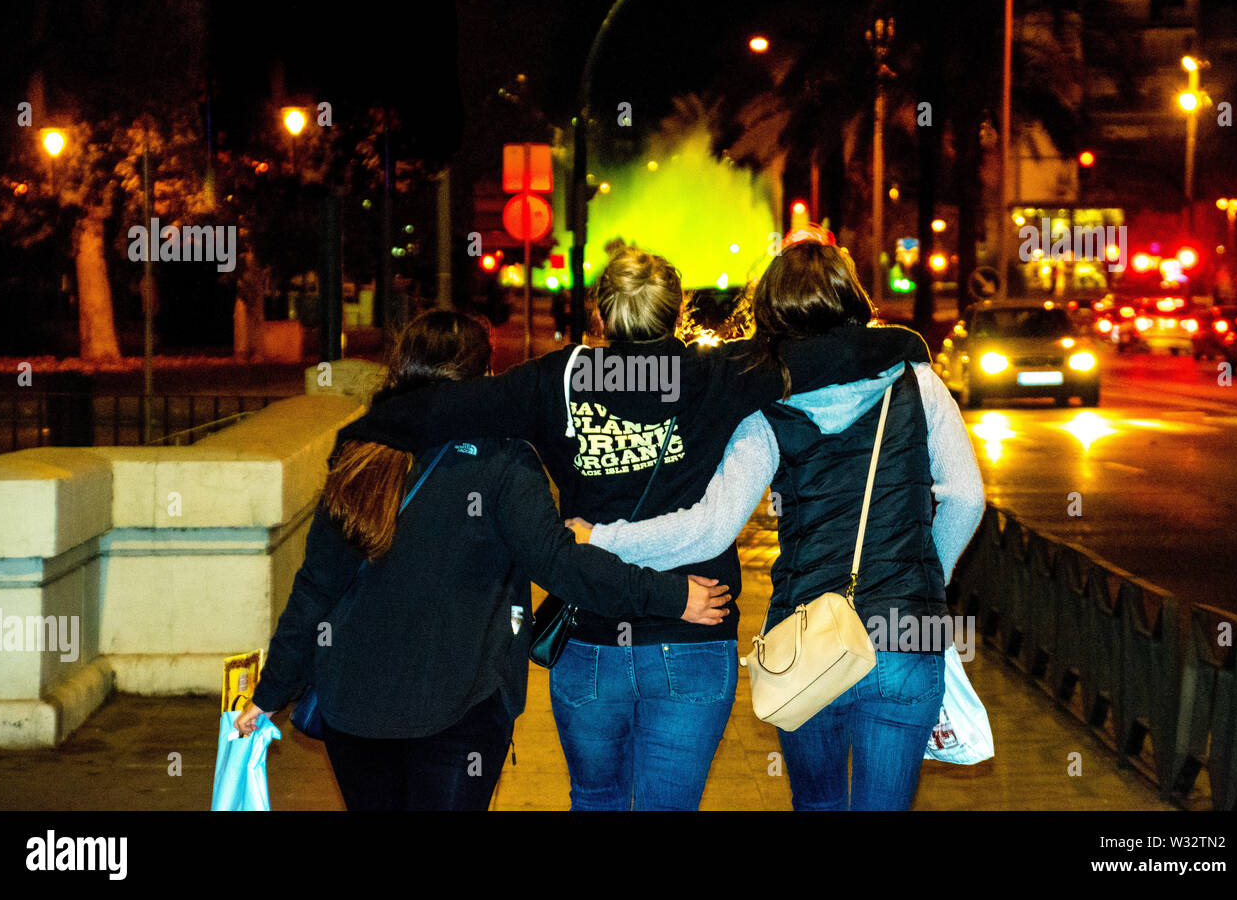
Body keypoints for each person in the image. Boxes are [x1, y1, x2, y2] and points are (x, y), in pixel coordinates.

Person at [336, 244, 931, 810]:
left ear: (599, 314)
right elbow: (826, 356)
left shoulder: (557, 380)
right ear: (677, 310)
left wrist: (367, 427)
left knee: (595, 800)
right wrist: (902, 342)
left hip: (589, 639)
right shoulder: (718, 372)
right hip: (694, 634)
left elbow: (449, 408)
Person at [233, 309, 731, 811]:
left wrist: (270, 691)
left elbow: (316, 588)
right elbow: (560, 564)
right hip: (459, 709)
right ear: (486, 378)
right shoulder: (502, 462)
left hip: (355, 710)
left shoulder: (362, 458)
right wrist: (670, 595)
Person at [570, 234, 986, 810]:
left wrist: (602, 539)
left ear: (771, 310)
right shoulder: (919, 382)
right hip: (905, 633)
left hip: (809, 637)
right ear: (851, 296)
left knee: (816, 806)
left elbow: (712, 527)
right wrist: (919, 579)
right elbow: (965, 498)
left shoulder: (768, 405)